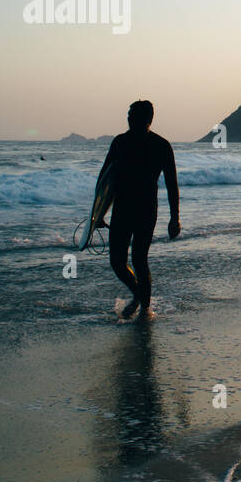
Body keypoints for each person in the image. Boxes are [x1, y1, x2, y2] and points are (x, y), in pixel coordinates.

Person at [97, 100, 180, 318]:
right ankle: (137, 293)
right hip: (121, 209)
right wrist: (98, 213)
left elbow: (172, 185)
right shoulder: (119, 143)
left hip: (146, 210)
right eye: (128, 115)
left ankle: (145, 309)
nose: (129, 118)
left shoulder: (161, 145)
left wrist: (175, 218)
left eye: (133, 115)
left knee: (139, 259)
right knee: (116, 261)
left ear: (147, 119)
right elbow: (104, 181)